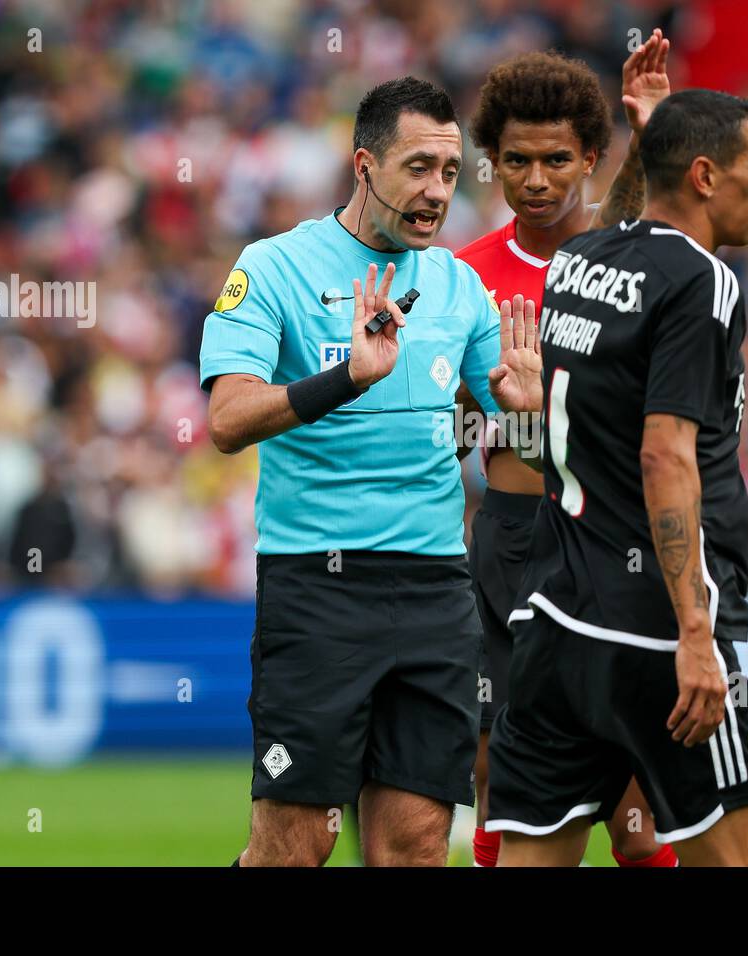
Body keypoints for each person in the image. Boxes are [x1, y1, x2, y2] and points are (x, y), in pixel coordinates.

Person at [199, 76, 541, 866]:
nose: (436, 191)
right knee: (294, 845)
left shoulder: (459, 286)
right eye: (418, 168)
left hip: (434, 591)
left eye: (451, 174)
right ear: (364, 164)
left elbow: (528, 443)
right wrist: (346, 378)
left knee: (417, 845)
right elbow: (225, 421)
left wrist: (527, 410)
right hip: (317, 588)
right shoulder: (274, 266)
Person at [485, 88, 748, 866]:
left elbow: (570, 439)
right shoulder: (703, 282)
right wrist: (694, 635)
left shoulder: (578, 261)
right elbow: (662, 455)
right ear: (709, 176)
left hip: (553, 618)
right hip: (655, 627)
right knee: (732, 856)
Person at [455, 32, 679, 867]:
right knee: (500, 780)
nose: (537, 181)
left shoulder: (624, 261)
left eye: (557, 160)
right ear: (494, 162)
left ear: (589, 156)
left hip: (609, 540)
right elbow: (444, 428)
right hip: (512, 534)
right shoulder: (460, 276)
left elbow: (634, 216)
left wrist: (650, 125)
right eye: (516, 162)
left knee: (634, 807)